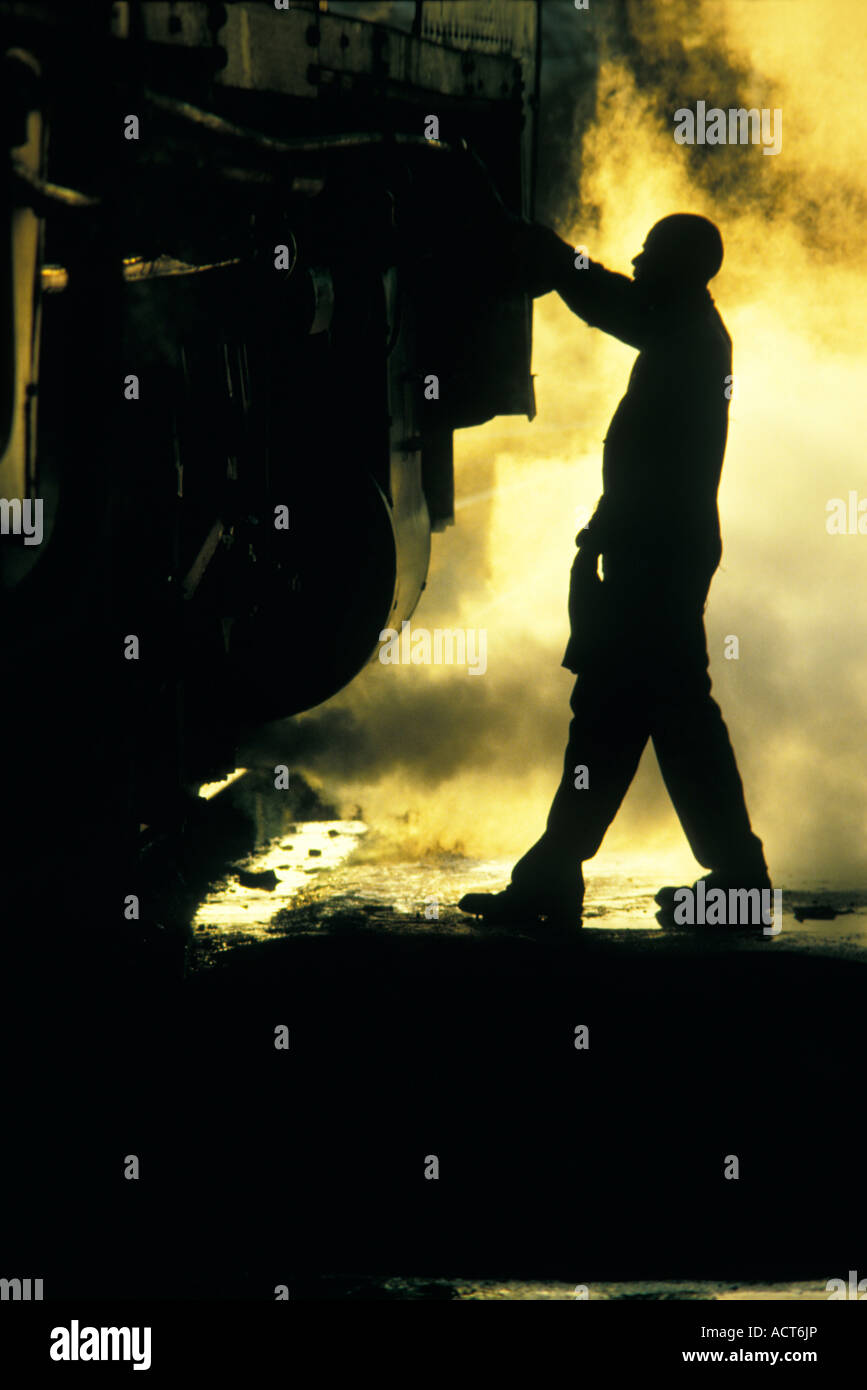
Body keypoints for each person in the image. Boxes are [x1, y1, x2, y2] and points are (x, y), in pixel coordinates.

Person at [459, 213, 770, 931]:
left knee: (643, 717)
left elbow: (617, 314)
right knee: (622, 715)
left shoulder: (686, 337)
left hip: (656, 557)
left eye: (650, 253)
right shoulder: (689, 332)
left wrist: (560, 262)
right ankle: (563, 872)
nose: (634, 258)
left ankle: (732, 882)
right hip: (658, 552)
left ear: (683, 269)